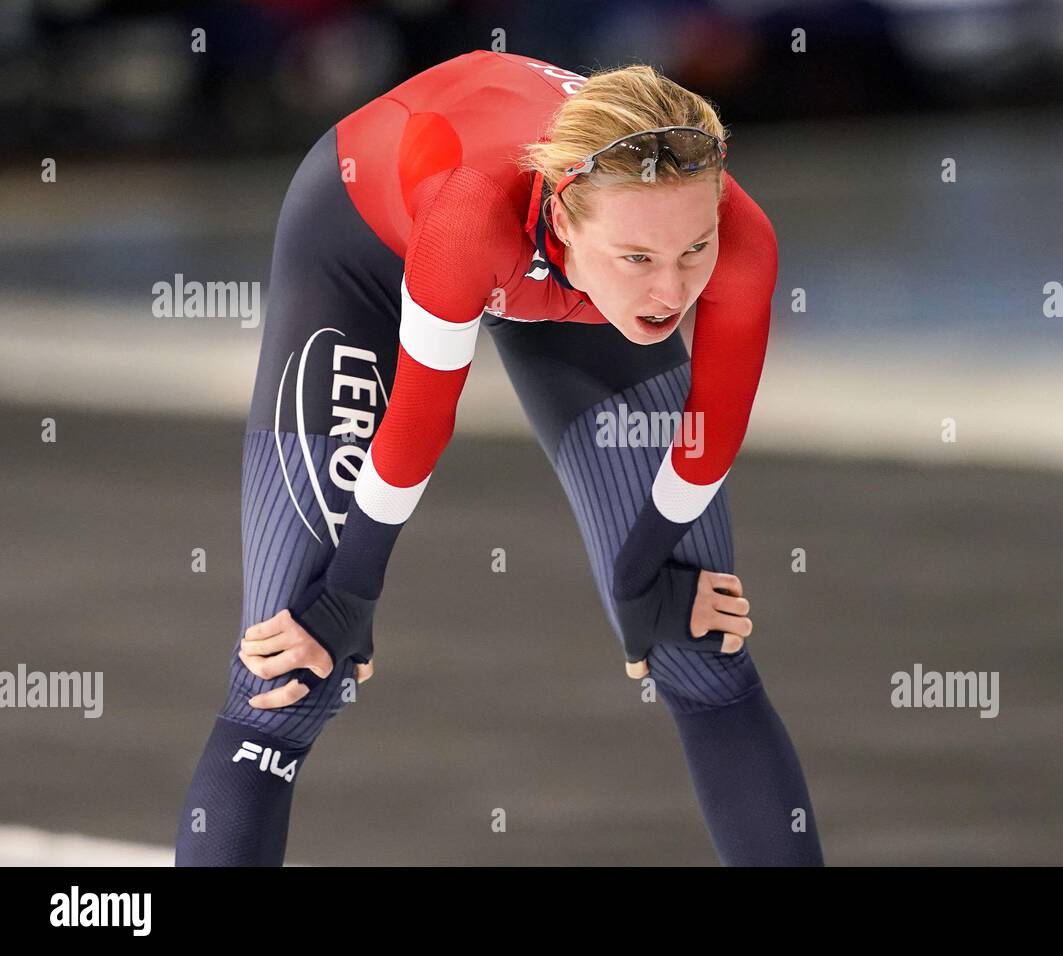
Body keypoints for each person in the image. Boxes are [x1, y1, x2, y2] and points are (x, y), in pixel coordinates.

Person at [174, 50, 824, 866]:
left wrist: (640, 580)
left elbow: (711, 434)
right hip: (366, 251)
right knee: (290, 673)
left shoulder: (726, 235)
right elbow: (416, 428)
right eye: (640, 260)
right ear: (564, 217)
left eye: (695, 251)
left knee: (696, 642)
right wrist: (347, 593)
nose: (673, 293)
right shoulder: (469, 214)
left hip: (558, 271)